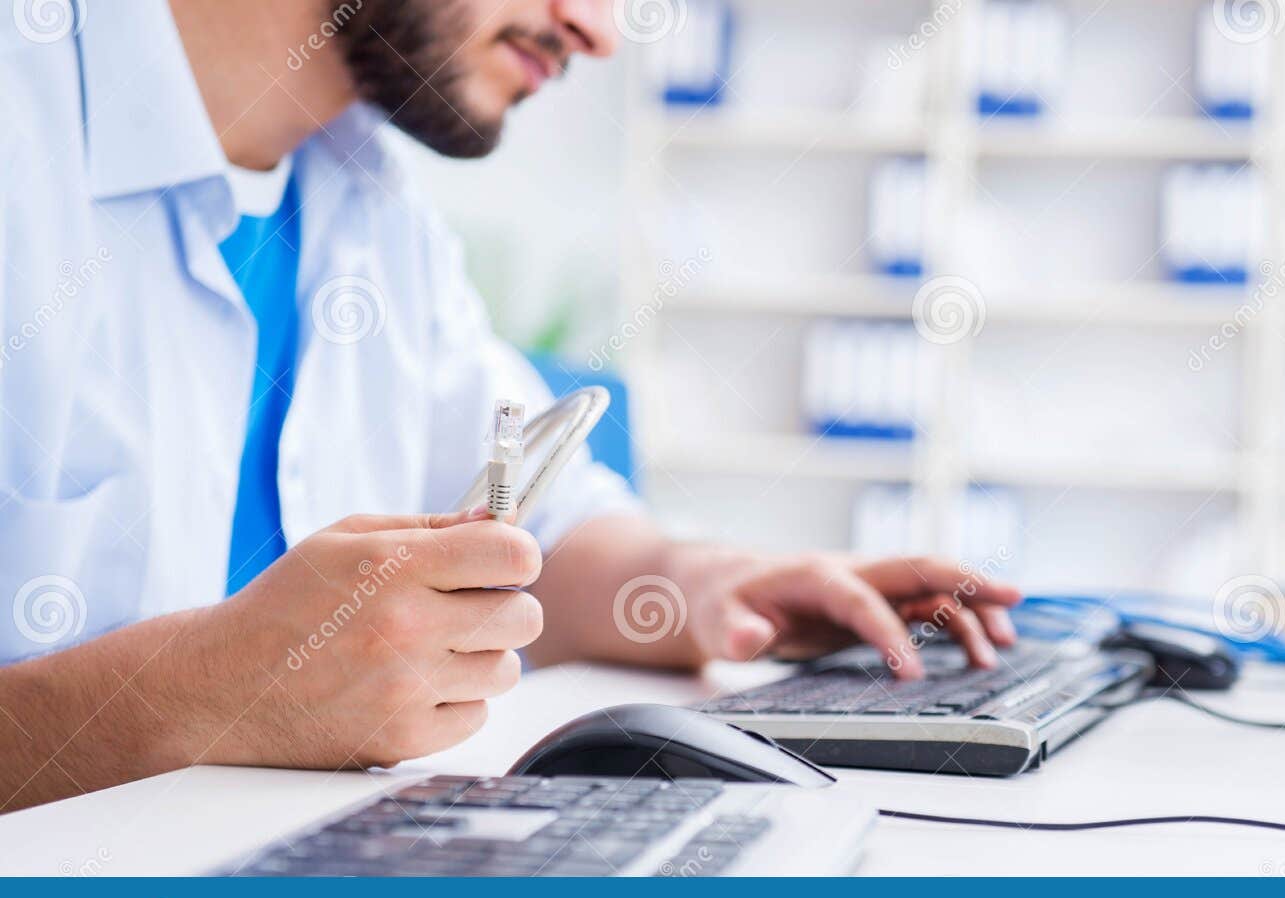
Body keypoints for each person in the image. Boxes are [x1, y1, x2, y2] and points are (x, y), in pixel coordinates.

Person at [0, 0, 1020, 812]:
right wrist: (199, 698)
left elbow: (548, 538)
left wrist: (721, 587)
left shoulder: (370, 204)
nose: (597, 30)